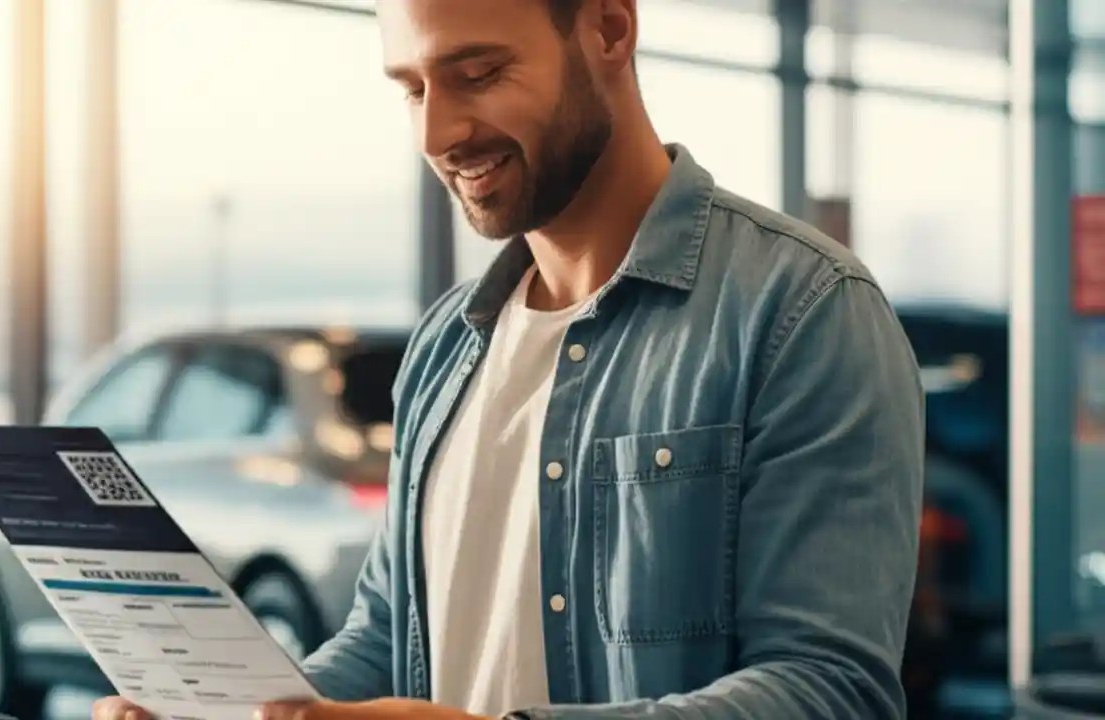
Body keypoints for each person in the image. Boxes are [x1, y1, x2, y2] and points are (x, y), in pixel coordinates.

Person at [94, 0, 924, 718]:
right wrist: (244, 712)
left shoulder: (802, 312)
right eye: (412, 88)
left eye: (479, 73)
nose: (437, 132)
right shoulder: (446, 344)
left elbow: (829, 691)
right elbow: (389, 633)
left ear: (609, 26)